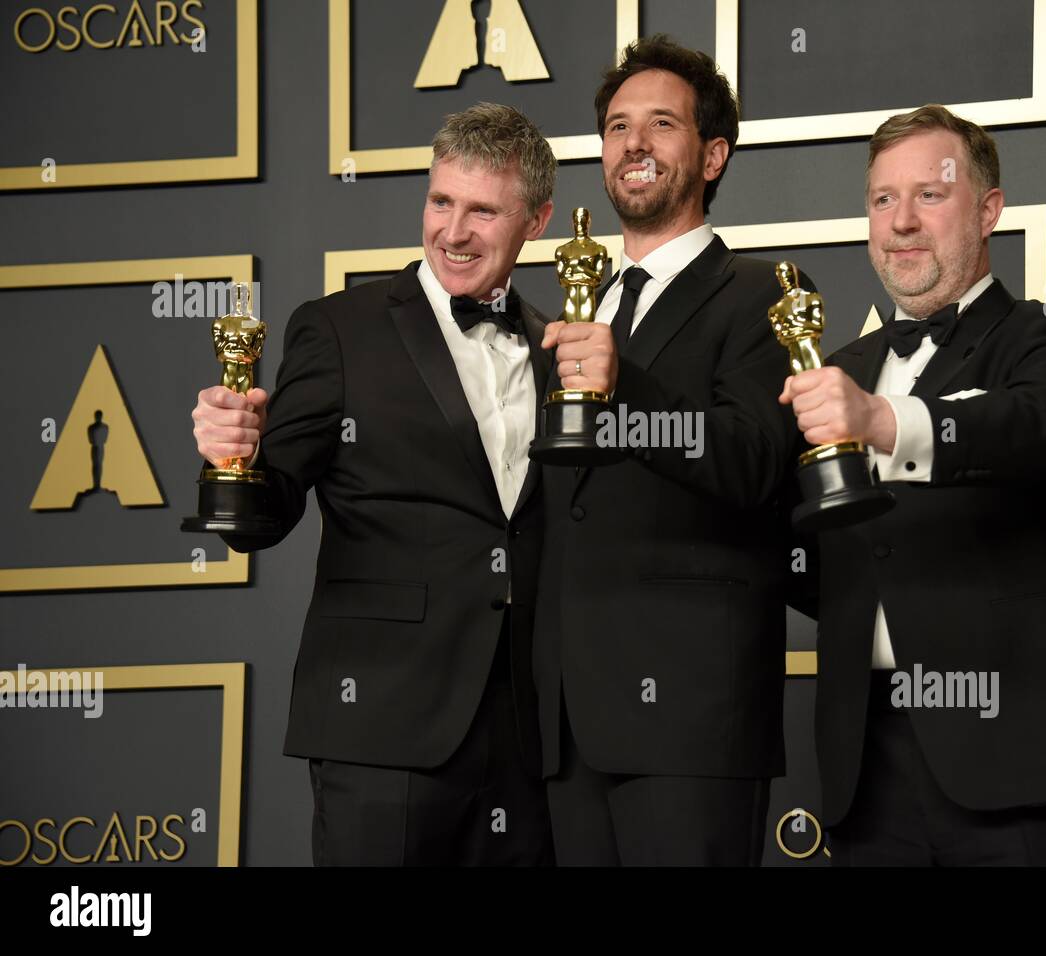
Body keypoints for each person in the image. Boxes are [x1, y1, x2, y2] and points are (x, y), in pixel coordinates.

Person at [189, 103, 557, 866]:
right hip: (382, 725)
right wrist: (233, 459)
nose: (453, 231)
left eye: (483, 210)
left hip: (527, 737)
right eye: (440, 200)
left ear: (537, 220)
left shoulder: (559, 349)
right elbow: (269, 507)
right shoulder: (338, 330)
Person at [781, 104, 1046, 866]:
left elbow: (1039, 427)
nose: (901, 221)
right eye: (882, 199)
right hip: (862, 769)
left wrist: (882, 420)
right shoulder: (833, 364)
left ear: (988, 210)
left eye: (930, 195)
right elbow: (813, 553)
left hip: (1024, 760)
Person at [534, 35, 807, 866]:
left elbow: (757, 463)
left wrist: (629, 389)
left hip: (693, 718)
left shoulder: (764, 294)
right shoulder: (577, 302)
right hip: (565, 723)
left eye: (661, 124)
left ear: (713, 155)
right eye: (617, 127)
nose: (634, 145)